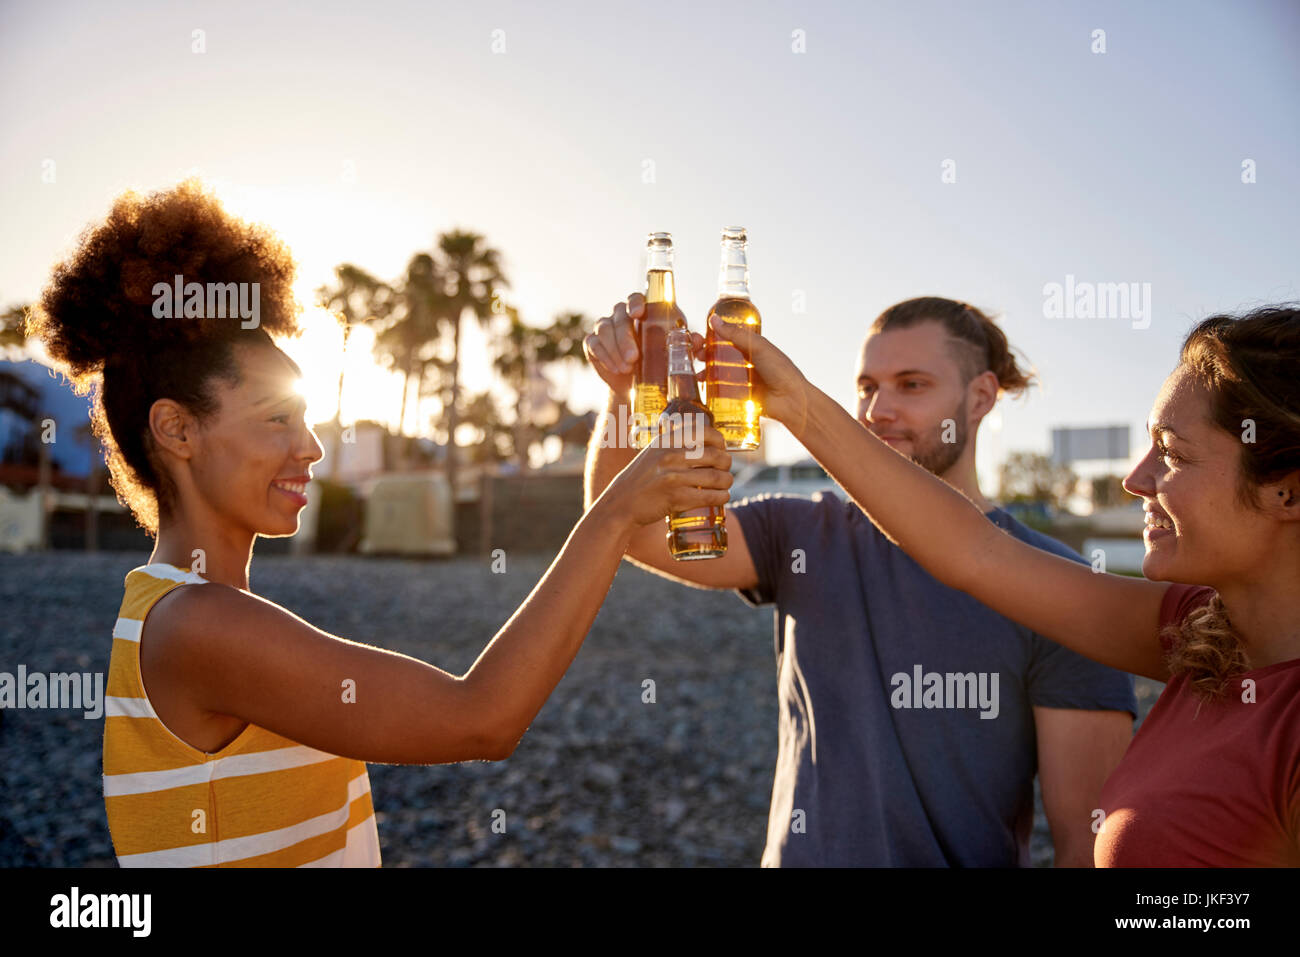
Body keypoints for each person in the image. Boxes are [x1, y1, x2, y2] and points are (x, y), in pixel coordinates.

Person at [24, 179, 734, 867]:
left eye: (304, 418)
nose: (310, 446)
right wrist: (614, 515)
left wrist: (618, 399)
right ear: (177, 429)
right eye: (277, 419)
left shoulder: (176, 607)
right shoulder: (198, 625)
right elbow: (481, 717)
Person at [704, 301, 1300, 866]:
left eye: (1171, 454)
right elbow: (974, 551)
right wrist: (798, 406)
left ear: (1288, 490)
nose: (1135, 480)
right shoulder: (1195, 632)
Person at [584, 294, 1137, 866]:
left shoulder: (1061, 589)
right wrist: (625, 391)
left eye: (911, 385)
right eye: (868, 386)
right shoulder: (801, 531)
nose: (878, 410)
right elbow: (631, 530)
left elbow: (1087, 844)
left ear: (980, 398)